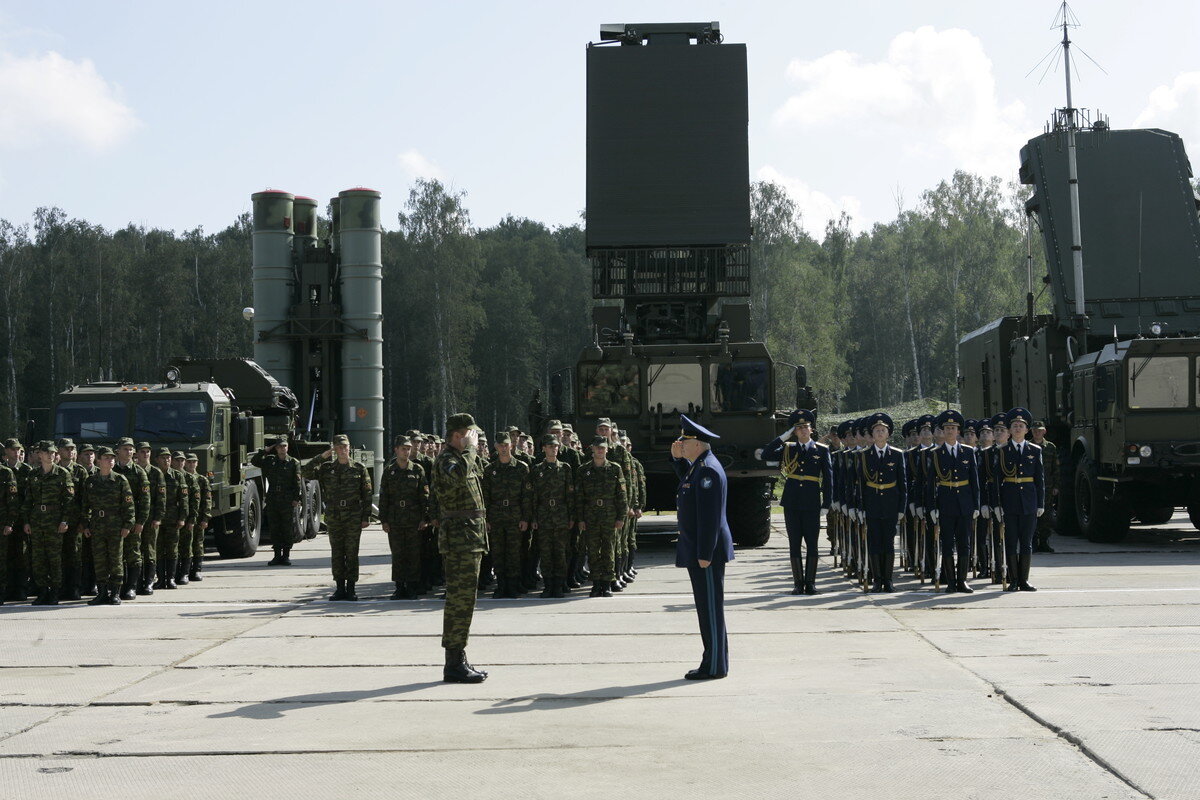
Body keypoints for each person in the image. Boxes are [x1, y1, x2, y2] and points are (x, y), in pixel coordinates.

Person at [671, 414, 733, 680]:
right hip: (699, 550)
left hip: (705, 552)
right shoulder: (698, 466)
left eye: (684, 441)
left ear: (697, 443)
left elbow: (710, 518)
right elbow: (686, 482)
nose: (680, 444)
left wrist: (705, 554)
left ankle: (715, 666)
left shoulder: (707, 469)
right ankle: (712, 661)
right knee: (706, 609)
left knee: (710, 610)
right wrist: (676, 459)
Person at [430, 413, 489, 683]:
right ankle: (453, 663)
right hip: (459, 539)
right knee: (459, 600)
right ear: (457, 435)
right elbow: (458, 479)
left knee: (467, 600)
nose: (473, 438)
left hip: (470, 537)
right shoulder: (447, 460)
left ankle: (458, 657)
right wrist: (472, 450)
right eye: (469, 434)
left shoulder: (461, 459)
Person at [761, 409, 833, 595]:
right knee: (794, 543)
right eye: (798, 428)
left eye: (805, 427)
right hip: (792, 502)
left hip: (811, 502)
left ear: (812, 429)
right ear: (794, 431)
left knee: (812, 543)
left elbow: (829, 479)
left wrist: (826, 503)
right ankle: (797, 583)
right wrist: (783, 437)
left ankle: (810, 583)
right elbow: (765, 454)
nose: (802, 431)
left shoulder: (822, 450)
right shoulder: (788, 448)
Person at [303, 434, 372, 601]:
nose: (342, 450)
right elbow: (304, 472)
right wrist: (321, 457)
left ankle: (351, 588)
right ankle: (339, 588)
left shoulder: (359, 468)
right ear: (334, 449)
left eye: (345, 447)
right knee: (337, 553)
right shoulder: (327, 468)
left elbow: (367, 494)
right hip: (334, 516)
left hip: (353, 515)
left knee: (352, 552)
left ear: (349, 448)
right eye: (339, 447)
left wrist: (366, 516)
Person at [926, 410, 981, 593]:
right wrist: (932, 506)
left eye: (953, 428)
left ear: (958, 431)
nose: (950, 431)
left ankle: (962, 580)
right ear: (942, 430)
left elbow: (974, 481)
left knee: (964, 542)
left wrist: (976, 504)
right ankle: (950, 581)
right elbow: (930, 484)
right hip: (946, 502)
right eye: (947, 428)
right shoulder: (936, 453)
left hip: (964, 502)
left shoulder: (968, 451)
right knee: (947, 542)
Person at [996, 408, 1044, 592]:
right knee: (1010, 541)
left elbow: (1040, 480)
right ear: (1009, 430)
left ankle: (1024, 580)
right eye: (1014, 426)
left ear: (1027, 430)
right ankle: (1013, 580)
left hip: (1029, 501)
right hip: (1009, 501)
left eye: (1021, 426)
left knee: (1026, 542)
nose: (1017, 428)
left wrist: (1040, 503)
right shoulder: (1002, 451)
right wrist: (997, 504)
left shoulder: (1035, 450)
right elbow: (997, 480)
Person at [858, 413, 906, 593]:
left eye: (883, 430)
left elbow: (903, 484)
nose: (879, 433)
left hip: (890, 504)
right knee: (874, 543)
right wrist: (861, 507)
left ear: (888, 434)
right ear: (872, 434)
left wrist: (901, 507)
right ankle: (877, 580)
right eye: (876, 430)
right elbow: (861, 485)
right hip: (872, 505)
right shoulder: (864, 456)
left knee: (888, 543)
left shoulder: (896, 454)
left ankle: (888, 580)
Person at [23, 441, 76, 605]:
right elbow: (28, 500)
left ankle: (54, 592)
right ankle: (43, 591)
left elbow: (69, 501)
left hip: (54, 521)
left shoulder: (62, 473)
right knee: (38, 558)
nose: (51, 455)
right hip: (37, 520)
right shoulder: (33, 475)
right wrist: (26, 521)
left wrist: (65, 520)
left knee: (54, 558)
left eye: (53, 453)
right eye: (47, 452)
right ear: (40, 454)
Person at [575, 436, 628, 597]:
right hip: (591, 515)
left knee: (608, 550)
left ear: (607, 449)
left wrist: (621, 517)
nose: (600, 450)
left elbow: (621, 495)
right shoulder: (583, 470)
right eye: (597, 447)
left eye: (603, 448)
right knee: (592, 551)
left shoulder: (614, 468)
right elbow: (579, 497)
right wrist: (581, 519)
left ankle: (607, 584)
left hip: (609, 515)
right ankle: (596, 583)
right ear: (592, 449)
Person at [82, 446, 134, 606]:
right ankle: (102, 592)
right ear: (98, 460)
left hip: (115, 525)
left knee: (116, 559)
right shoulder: (91, 481)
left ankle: (115, 593)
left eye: (112, 458)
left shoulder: (120, 480)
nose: (110, 460)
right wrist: (85, 524)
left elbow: (129, 505)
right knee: (99, 560)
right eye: (106, 457)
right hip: (97, 525)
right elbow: (85, 506)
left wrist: (128, 524)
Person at [379, 435, 429, 600]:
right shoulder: (389, 471)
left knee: (414, 555)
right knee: (398, 555)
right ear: (396, 450)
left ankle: (412, 587)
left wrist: (424, 518)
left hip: (414, 519)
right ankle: (399, 587)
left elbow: (424, 496)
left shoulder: (417, 470)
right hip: (395, 520)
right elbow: (384, 497)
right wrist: (384, 520)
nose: (406, 451)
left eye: (408, 449)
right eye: (403, 449)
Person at [530, 433, 575, 598]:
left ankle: (559, 585)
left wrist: (571, 517)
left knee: (561, 552)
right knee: (546, 553)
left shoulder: (565, 468)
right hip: (543, 517)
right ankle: (548, 585)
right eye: (550, 446)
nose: (553, 449)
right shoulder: (537, 470)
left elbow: (570, 495)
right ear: (544, 448)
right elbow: (533, 496)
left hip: (561, 516)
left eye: (556, 446)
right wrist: (534, 518)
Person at [251, 437, 303, 566]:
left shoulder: (293, 462)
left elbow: (297, 482)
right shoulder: (270, 461)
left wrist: (296, 499)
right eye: (279, 447)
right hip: (273, 498)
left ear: (287, 447)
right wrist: (265, 450)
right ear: (276, 448)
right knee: (274, 528)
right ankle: (276, 555)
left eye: (284, 446)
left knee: (287, 528)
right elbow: (255, 461)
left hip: (287, 500)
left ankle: (286, 555)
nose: (282, 449)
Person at [112, 438, 151, 601]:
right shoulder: (110, 469)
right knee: (115, 555)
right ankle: (116, 587)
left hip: (132, 519)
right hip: (113, 520)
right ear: (118, 451)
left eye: (130, 449)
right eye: (125, 449)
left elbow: (145, 499)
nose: (128, 452)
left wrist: (141, 521)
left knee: (133, 553)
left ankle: (131, 587)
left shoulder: (138, 472)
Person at [153, 449, 189, 590]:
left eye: (168, 458)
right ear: (157, 459)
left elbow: (184, 499)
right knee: (158, 549)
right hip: (156, 519)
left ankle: (171, 579)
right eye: (163, 458)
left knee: (172, 549)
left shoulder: (178, 476)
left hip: (173, 519)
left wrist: (182, 518)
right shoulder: (153, 475)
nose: (166, 460)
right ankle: (161, 579)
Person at [135, 442, 166, 594]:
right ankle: (137, 582)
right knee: (135, 550)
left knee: (150, 549)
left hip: (151, 517)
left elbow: (161, 498)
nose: (145, 454)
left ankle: (149, 582)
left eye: (148, 451)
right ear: (137, 454)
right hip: (135, 516)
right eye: (142, 451)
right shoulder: (133, 471)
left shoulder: (156, 472)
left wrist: (158, 517)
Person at [183, 453, 211, 582]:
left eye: (193, 462)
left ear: (197, 463)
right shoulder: (182, 477)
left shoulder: (202, 480)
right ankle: (185, 571)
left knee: (198, 543)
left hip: (199, 517)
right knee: (185, 543)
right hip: (185, 517)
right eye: (189, 462)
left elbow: (207, 500)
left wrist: (205, 518)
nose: (191, 464)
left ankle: (197, 570)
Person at [1031, 421, 1059, 552]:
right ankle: (1033, 543)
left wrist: (1056, 486)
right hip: (1031, 487)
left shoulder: (1051, 447)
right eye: (1035, 430)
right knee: (1032, 516)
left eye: (1039, 430)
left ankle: (1044, 542)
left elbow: (1056, 468)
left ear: (1044, 431)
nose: (1037, 432)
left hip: (1047, 487)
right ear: (1031, 431)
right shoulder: (1027, 446)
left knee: (1046, 516)